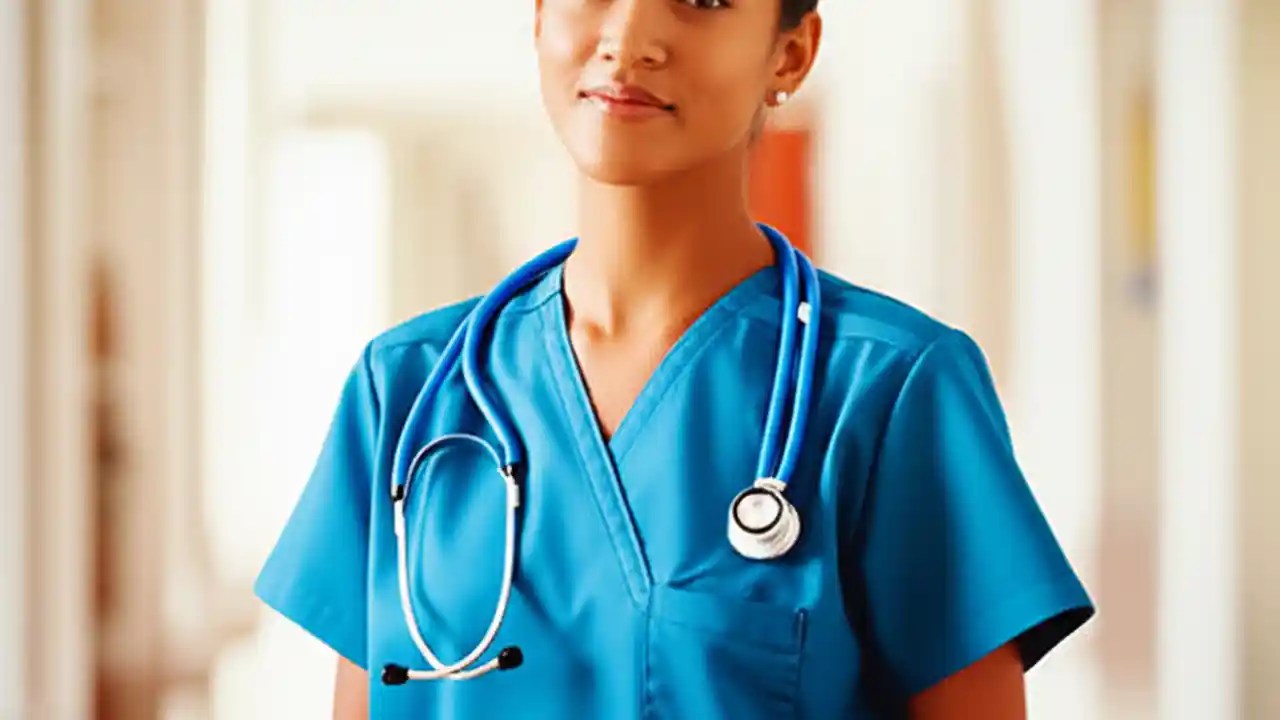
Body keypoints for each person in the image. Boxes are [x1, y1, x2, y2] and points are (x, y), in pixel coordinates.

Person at [254, 0, 1095, 717]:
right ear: (540, 17)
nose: (630, 36)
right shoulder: (405, 392)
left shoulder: (890, 393)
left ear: (790, 51)